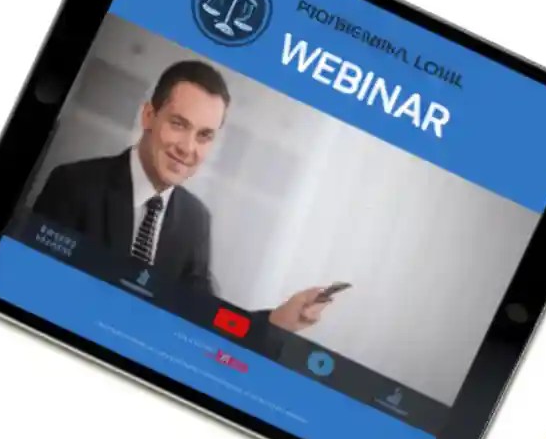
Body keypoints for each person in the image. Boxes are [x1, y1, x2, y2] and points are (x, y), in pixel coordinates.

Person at [32, 59, 332, 334]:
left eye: (204, 135)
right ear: (149, 116)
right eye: (178, 124)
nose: (188, 148)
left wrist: (275, 321)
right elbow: (35, 290)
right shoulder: (73, 185)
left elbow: (205, 318)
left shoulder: (195, 219)